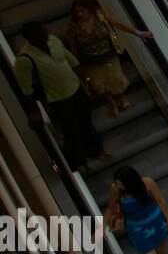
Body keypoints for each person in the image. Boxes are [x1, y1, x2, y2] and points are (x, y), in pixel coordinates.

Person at [14, 21, 108, 174]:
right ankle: (80, 162)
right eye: (42, 32)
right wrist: (34, 112)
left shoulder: (54, 41)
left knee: (86, 121)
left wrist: (88, 81)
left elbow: (71, 61)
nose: (46, 33)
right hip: (58, 99)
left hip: (75, 89)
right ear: (32, 37)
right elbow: (27, 90)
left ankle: (96, 150)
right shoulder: (24, 59)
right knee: (71, 131)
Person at [66, 0, 150, 118]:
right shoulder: (73, 26)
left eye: (82, 11)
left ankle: (122, 98)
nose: (79, 14)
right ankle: (112, 103)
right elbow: (72, 47)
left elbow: (118, 24)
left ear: (89, 9)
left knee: (115, 77)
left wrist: (139, 33)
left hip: (107, 53)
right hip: (90, 59)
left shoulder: (100, 16)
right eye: (76, 12)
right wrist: (76, 65)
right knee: (99, 83)